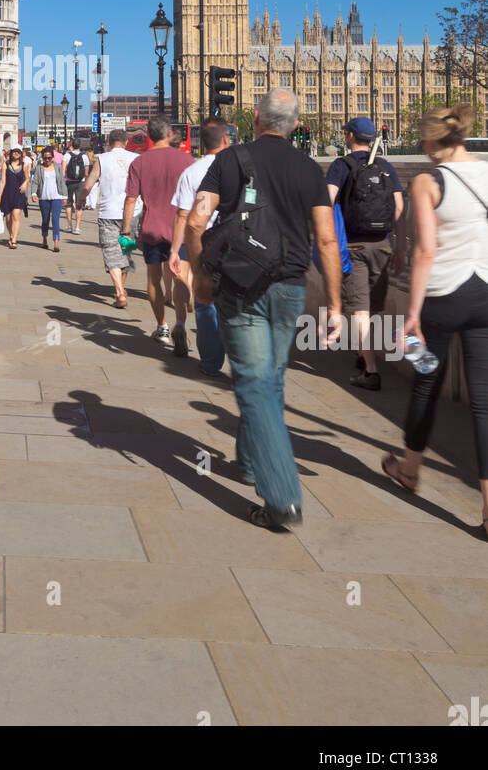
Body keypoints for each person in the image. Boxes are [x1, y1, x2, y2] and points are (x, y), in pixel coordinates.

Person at [187, 89, 342, 531]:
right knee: (268, 379)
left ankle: (282, 499)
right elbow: (326, 239)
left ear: (255, 119)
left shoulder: (230, 160)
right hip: (290, 287)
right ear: (295, 125)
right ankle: (251, 463)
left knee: (255, 383)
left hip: (240, 286)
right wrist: (335, 303)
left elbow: (197, 220)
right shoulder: (309, 168)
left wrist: (200, 276)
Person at [382, 105, 488, 537]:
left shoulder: (428, 180)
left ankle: (409, 471)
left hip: (441, 301)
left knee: (425, 384)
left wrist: (412, 315)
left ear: (428, 141)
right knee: (484, 402)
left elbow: (424, 251)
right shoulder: (486, 172)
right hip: (484, 296)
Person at [327, 116, 405, 391]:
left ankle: (370, 371)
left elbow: (327, 202)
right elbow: (399, 207)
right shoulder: (385, 166)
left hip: (354, 247)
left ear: (350, 136)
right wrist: (399, 247)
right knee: (372, 309)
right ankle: (363, 354)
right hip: (383, 245)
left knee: (359, 311)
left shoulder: (341, 165)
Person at [122, 115, 194, 350]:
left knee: (154, 280)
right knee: (180, 276)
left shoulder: (139, 163)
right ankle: (180, 323)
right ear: (169, 134)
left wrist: (125, 232)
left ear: (150, 137)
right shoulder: (187, 160)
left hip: (152, 229)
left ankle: (162, 326)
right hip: (180, 229)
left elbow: (131, 200)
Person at [169, 117, 232, 374]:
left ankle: (210, 363)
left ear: (201, 142)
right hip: (234, 243)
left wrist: (175, 250)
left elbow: (183, 215)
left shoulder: (192, 172)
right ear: (226, 139)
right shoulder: (239, 168)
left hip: (202, 243)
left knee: (205, 301)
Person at [84, 130, 141, 308]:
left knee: (111, 251)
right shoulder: (136, 158)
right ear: (126, 142)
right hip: (133, 212)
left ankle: (119, 292)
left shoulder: (102, 159)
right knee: (125, 251)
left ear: (109, 142)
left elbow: (89, 184)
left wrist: (80, 200)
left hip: (108, 212)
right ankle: (121, 288)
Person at [30, 146, 67, 251]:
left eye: (49, 158)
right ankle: (44, 239)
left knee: (55, 219)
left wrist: (65, 196)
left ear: (52, 157)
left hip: (57, 196)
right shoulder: (39, 167)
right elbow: (35, 181)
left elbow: (62, 181)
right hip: (44, 196)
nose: (47, 160)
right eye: (45, 158)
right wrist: (33, 193)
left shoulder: (58, 166)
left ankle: (56, 242)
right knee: (45, 220)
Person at [0, 146, 29, 249]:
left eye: (18, 152)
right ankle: (11, 234)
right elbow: (2, 181)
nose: (16, 153)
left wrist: (25, 184)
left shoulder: (24, 165)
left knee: (16, 216)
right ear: (11, 153)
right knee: (8, 218)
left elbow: (27, 178)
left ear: (21, 153)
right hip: (7, 193)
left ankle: (14, 240)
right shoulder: (5, 164)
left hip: (19, 193)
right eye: (14, 151)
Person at [63, 139, 87, 234]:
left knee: (68, 204)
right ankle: (77, 227)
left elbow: (63, 170)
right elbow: (86, 172)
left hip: (69, 181)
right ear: (80, 146)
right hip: (80, 182)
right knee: (79, 204)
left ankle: (69, 226)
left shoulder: (67, 156)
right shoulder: (84, 156)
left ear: (72, 145)